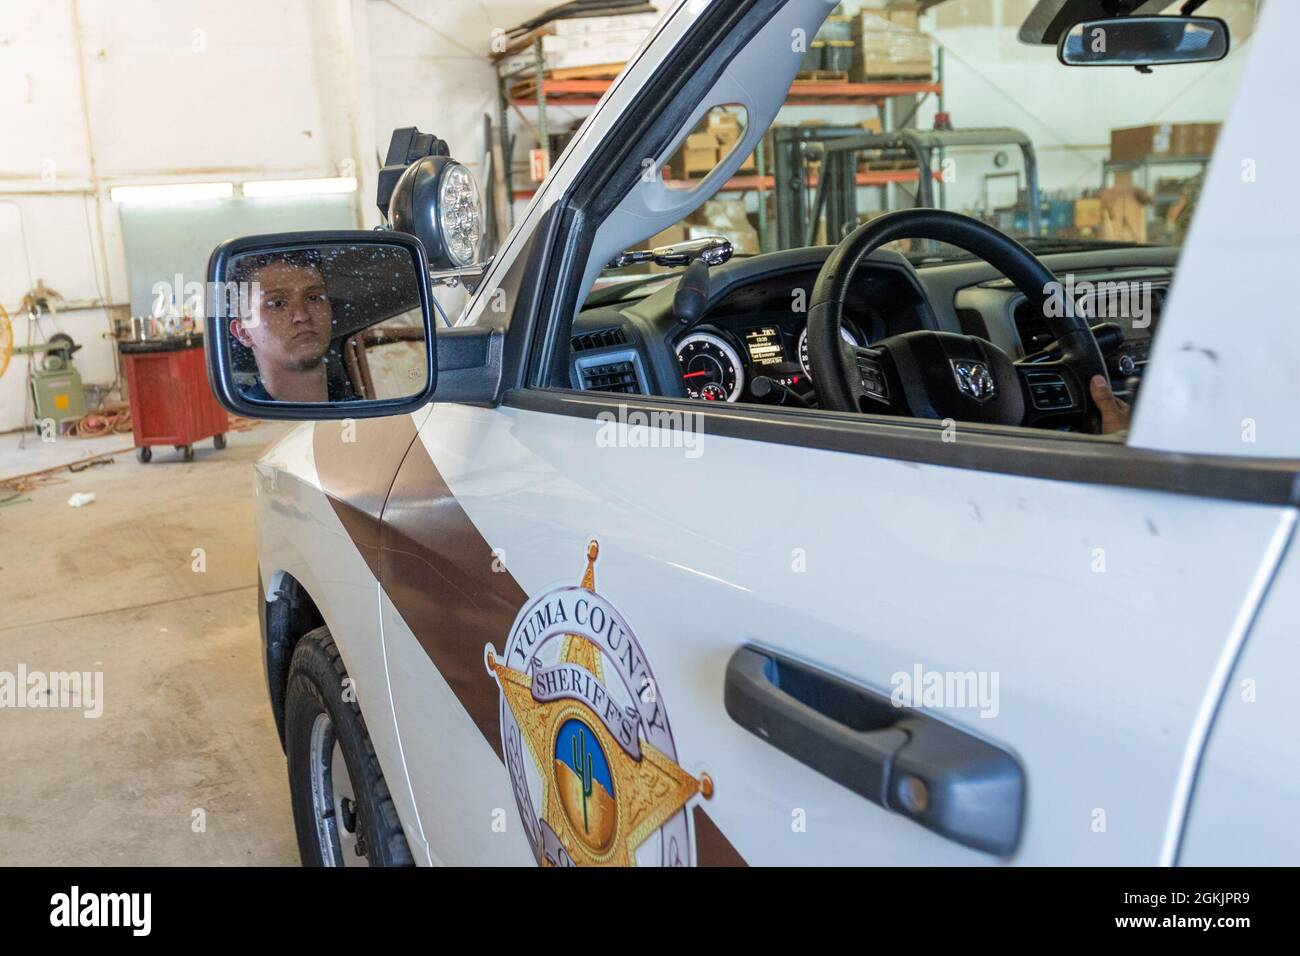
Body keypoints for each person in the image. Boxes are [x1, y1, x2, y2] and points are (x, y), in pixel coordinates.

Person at [229, 251, 352, 403]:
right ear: (243, 332)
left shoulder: (359, 410)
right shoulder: (252, 420)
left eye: (313, 298)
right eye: (277, 303)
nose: (302, 316)